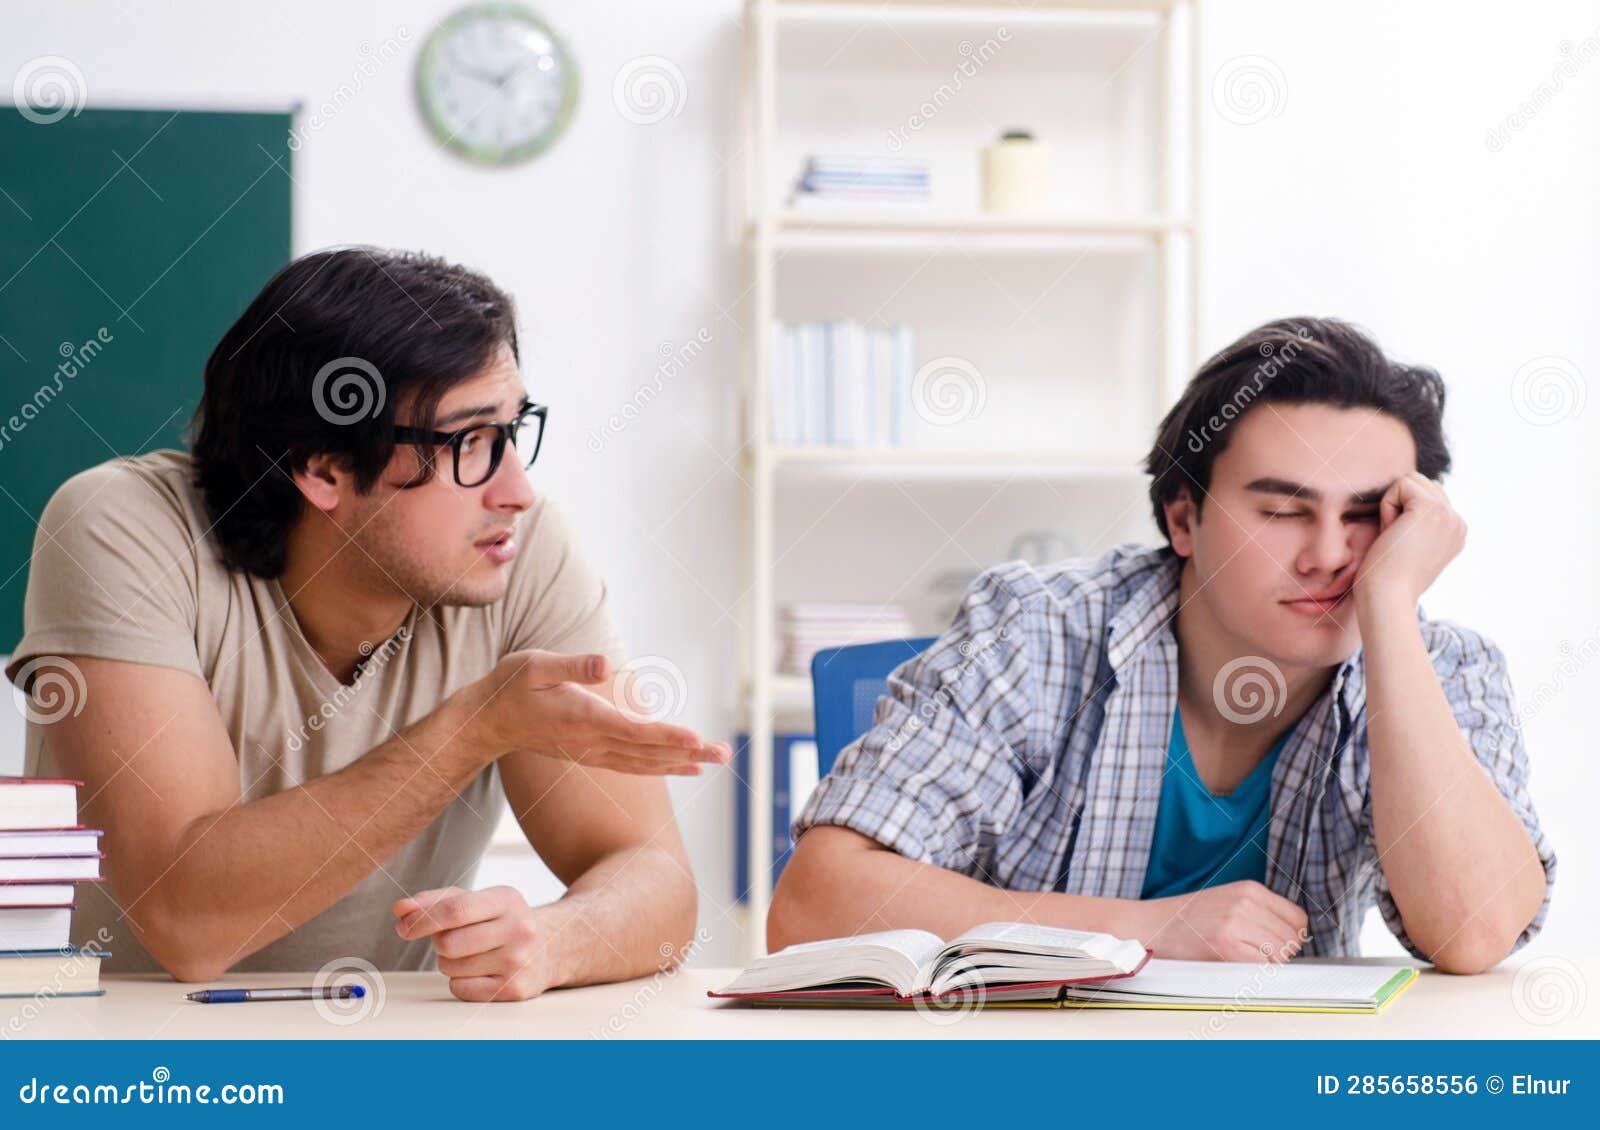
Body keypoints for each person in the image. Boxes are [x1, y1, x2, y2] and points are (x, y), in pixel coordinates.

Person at [7, 247, 728, 1001]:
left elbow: (657, 883)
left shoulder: (520, 551)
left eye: (514, 430)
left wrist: (552, 941)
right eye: (469, 442)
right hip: (127, 1054)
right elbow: (187, 921)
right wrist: (473, 728)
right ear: (323, 470)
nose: (517, 489)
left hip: (383, 1043)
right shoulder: (122, 528)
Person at [770, 317, 1555, 974]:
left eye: (1367, 517)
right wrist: (1144, 928)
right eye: (1283, 511)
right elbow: (814, 908)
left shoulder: (1441, 666)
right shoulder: (1037, 631)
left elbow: (1474, 933)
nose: (1329, 555)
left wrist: (1387, 607)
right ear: (1184, 518)